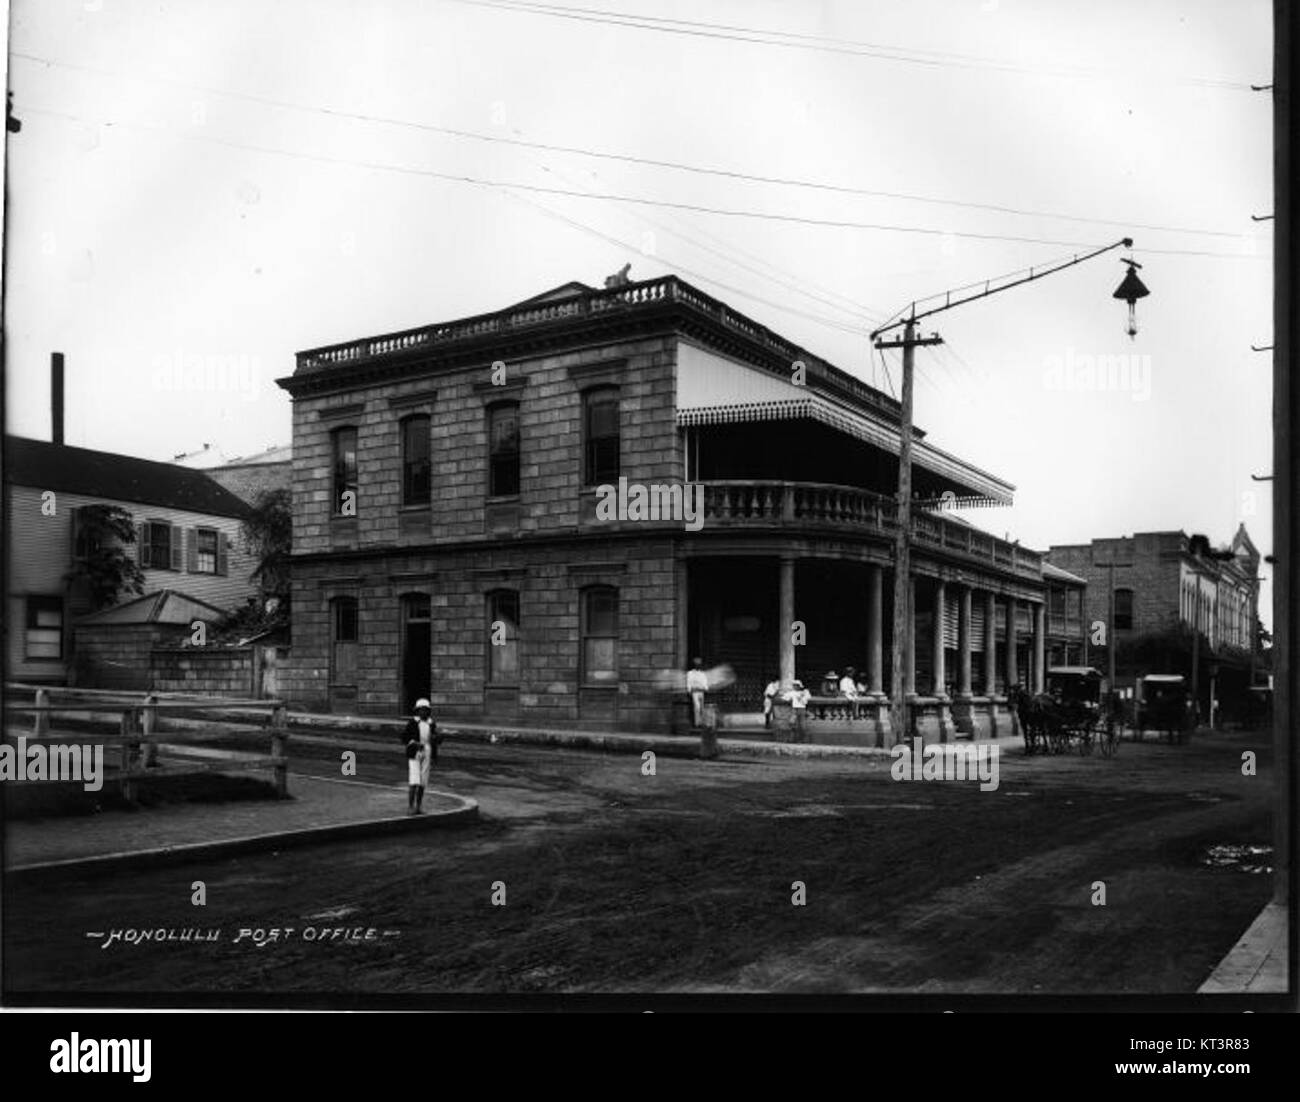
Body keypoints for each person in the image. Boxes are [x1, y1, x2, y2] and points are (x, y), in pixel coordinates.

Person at [401, 698, 442, 815]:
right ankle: (410, 806)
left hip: (427, 752)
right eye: (421, 710)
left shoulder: (431, 723)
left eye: (426, 710)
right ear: (417, 711)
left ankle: (418, 806)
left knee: (423, 782)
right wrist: (414, 742)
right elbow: (404, 737)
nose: (423, 712)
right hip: (415, 753)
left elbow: (435, 741)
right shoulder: (413, 723)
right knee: (414, 781)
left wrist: (437, 740)